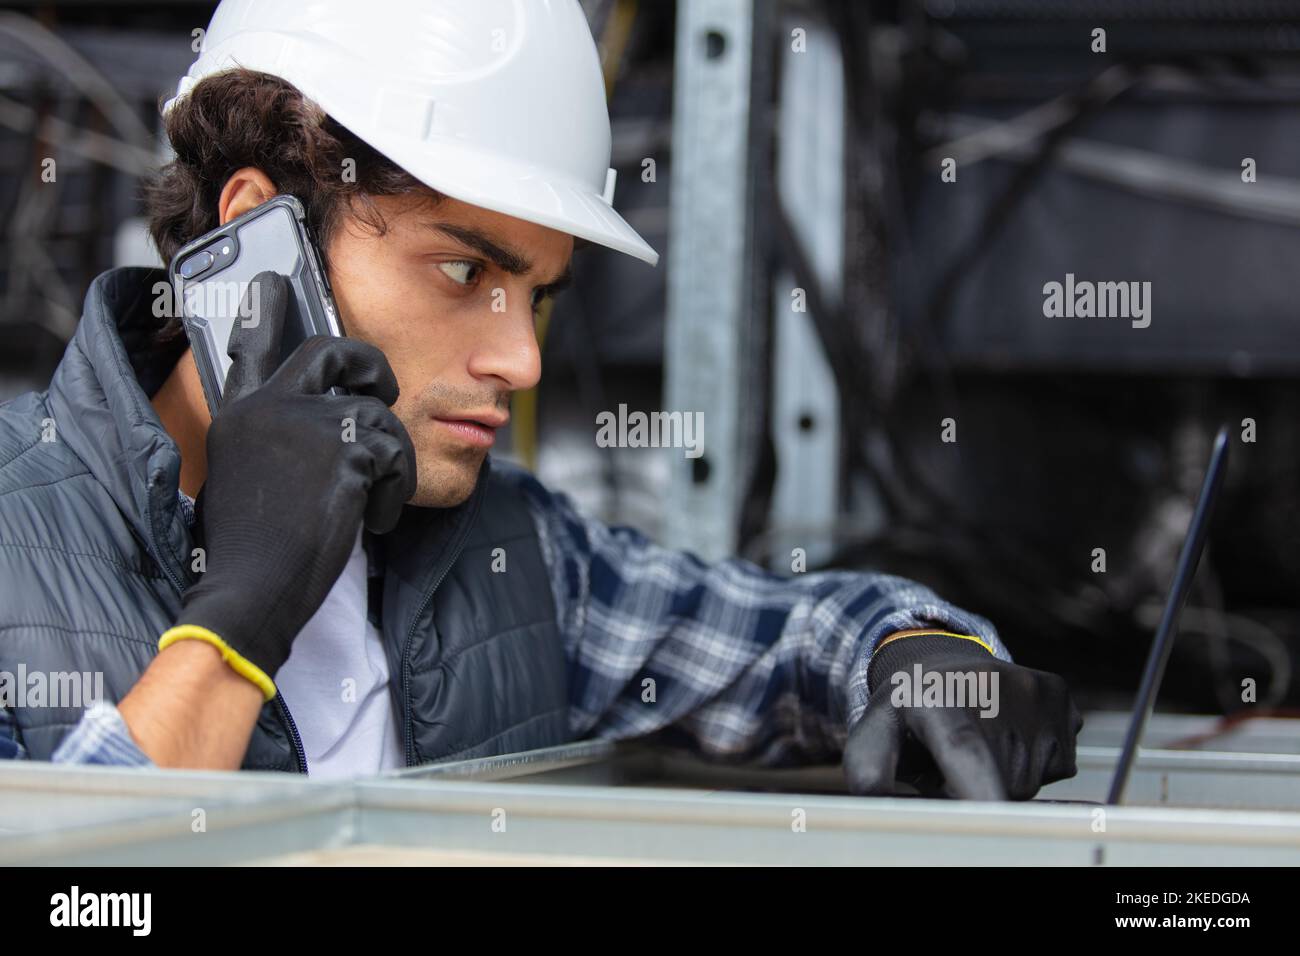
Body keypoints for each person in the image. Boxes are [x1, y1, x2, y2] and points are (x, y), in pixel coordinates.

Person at [0, 0, 1080, 799]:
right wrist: (238, 616)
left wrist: (923, 655)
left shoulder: (504, 554)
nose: (520, 359)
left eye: (536, 292)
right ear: (258, 232)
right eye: (465, 272)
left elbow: (787, 633)